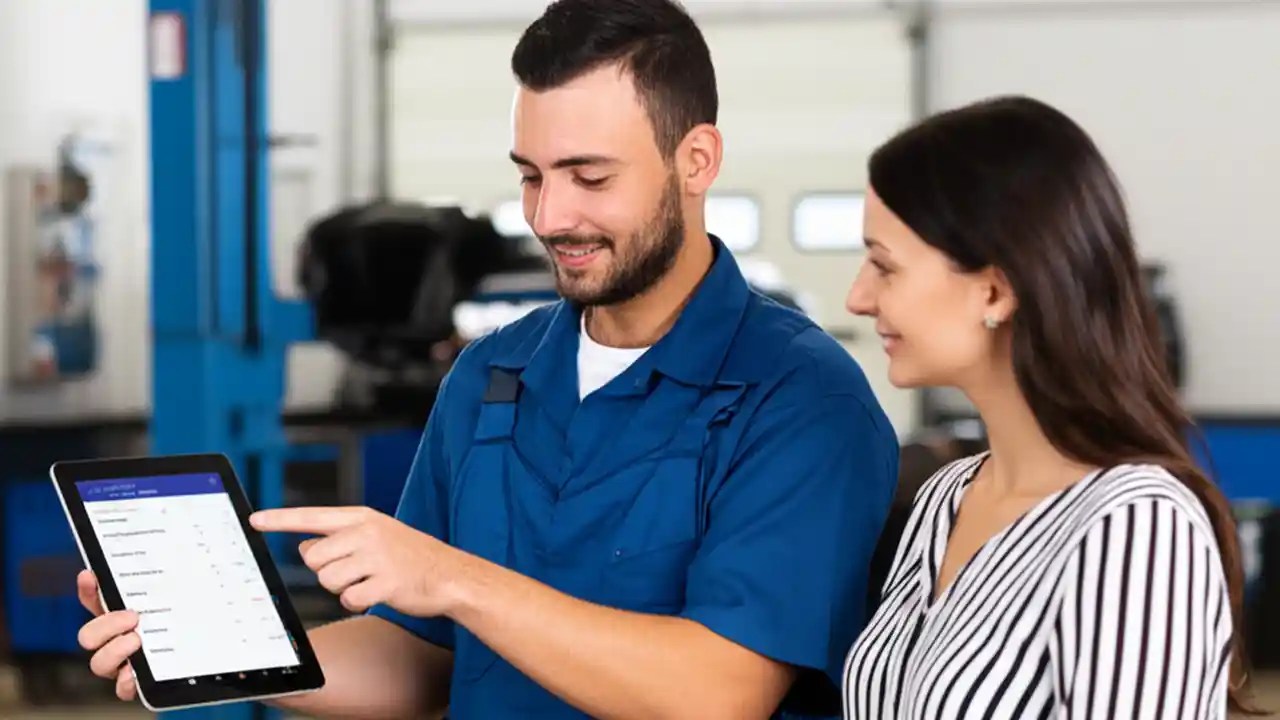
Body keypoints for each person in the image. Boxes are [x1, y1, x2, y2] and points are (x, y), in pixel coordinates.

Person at [75, 1, 899, 718]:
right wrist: (223, 649)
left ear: (698, 160)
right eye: (532, 176)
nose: (552, 215)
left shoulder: (798, 396)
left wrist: (455, 578)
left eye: (589, 176)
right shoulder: (492, 377)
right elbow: (423, 659)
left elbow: (718, 694)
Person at [840, 95, 1259, 719]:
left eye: (884, 265)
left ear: (994, 288)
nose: (858, 297)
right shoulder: (944, 501)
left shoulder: (1136, 527)